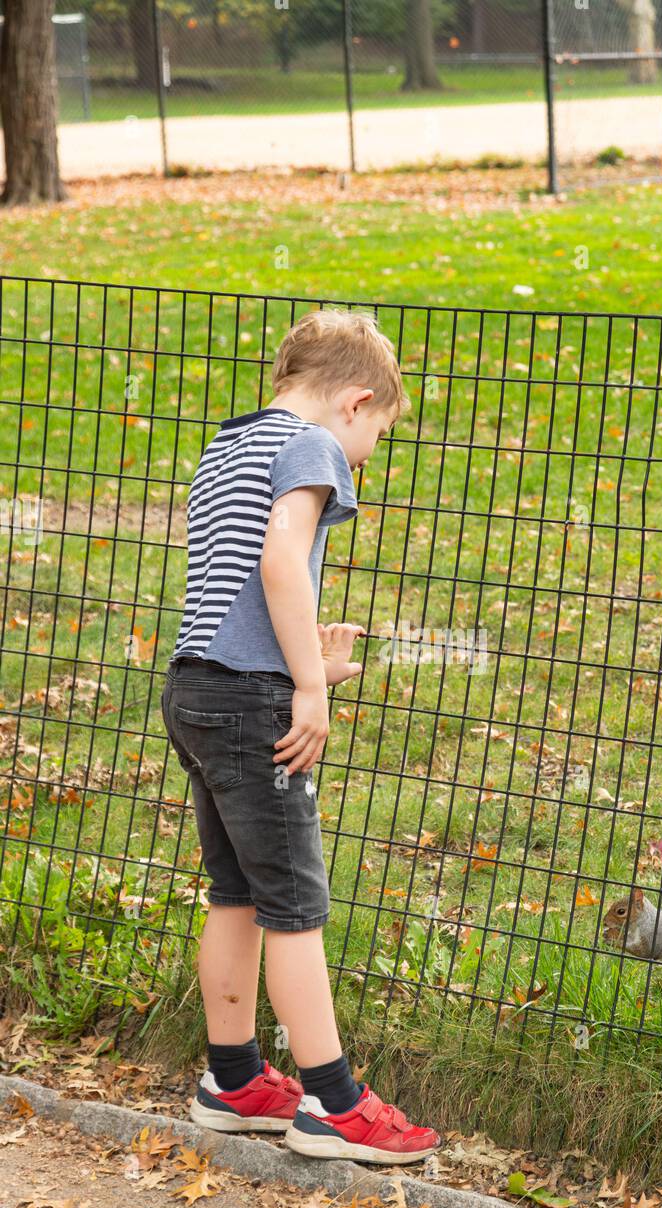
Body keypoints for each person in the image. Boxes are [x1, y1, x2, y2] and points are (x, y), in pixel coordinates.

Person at [160, 309, 442, 1164]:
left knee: (235, 891)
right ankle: (334, 1105)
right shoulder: (314, 446)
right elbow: (282, 560)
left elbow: (233, 576)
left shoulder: (229, 442)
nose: (365, 459)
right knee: (293, 907)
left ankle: (234, 1080)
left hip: (195, 688)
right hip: (251, 708)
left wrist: (301, 656)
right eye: (377, 437)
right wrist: (306, 687)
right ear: (355, 404)